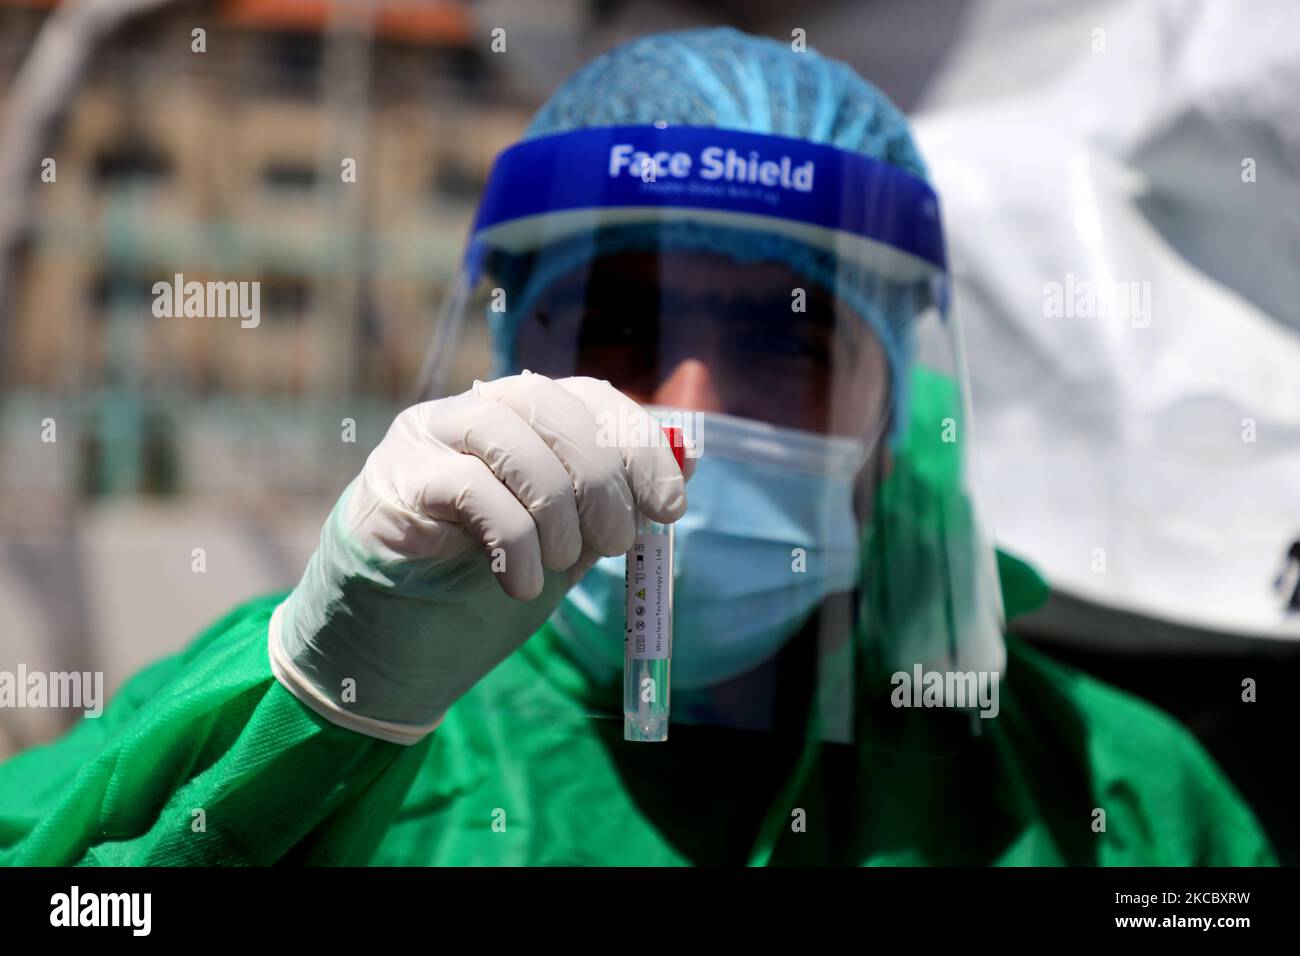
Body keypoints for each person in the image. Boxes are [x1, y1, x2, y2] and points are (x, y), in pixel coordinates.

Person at [0, 27, 1274, 866]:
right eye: (615, 323)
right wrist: (321, 712)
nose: (688, 415)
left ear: (897, 414)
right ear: (505, 353)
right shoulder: (304, 700)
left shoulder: (1112, 804)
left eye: (794, 337)